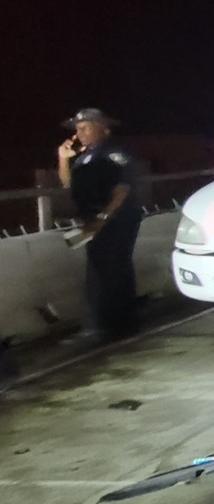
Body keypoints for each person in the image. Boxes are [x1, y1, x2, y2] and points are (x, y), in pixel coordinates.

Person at [56, 108, 143, 343]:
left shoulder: (113, 153)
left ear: (103, 129)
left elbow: (122, 189)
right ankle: (117, 325)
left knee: (110, 268)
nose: (79, 133)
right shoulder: (84, 156)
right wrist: (63, 158)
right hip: (95, 218)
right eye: (77, 129)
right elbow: (68, 184)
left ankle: (102, 327)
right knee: (103, 268)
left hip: (116, 218)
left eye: (85, 127)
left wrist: (102, 219)